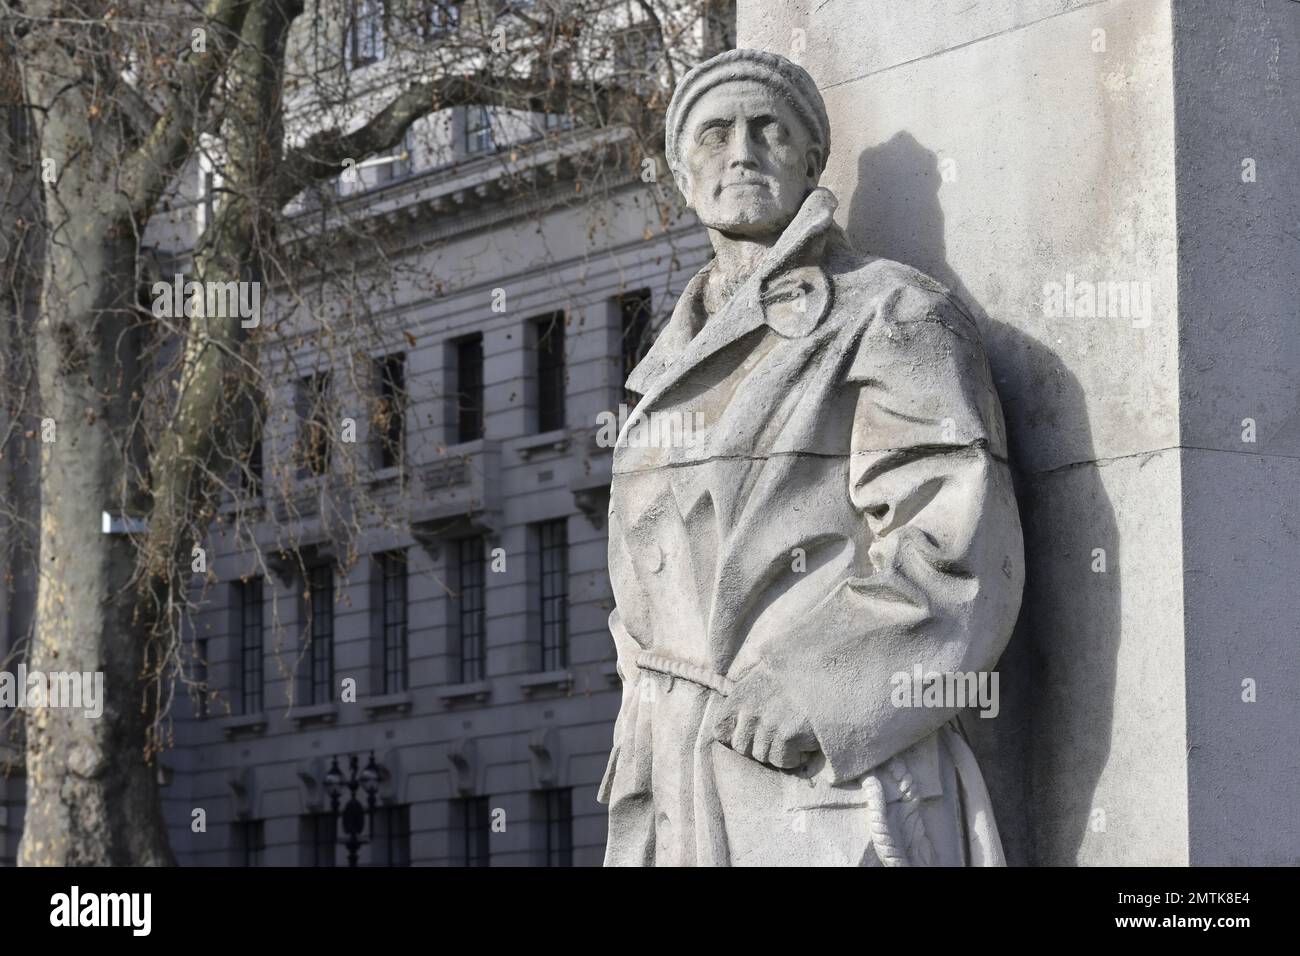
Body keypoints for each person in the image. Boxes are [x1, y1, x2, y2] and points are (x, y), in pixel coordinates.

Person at [598, 49, 1024, 866]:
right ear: (682, 175)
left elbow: (958, 548)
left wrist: (822, 685)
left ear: (810, 161)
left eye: (770, 131)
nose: (742, 153)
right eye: (714, 135)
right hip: (681, 776)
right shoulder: (660, 367)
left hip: (823, 767)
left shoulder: (893, 311)